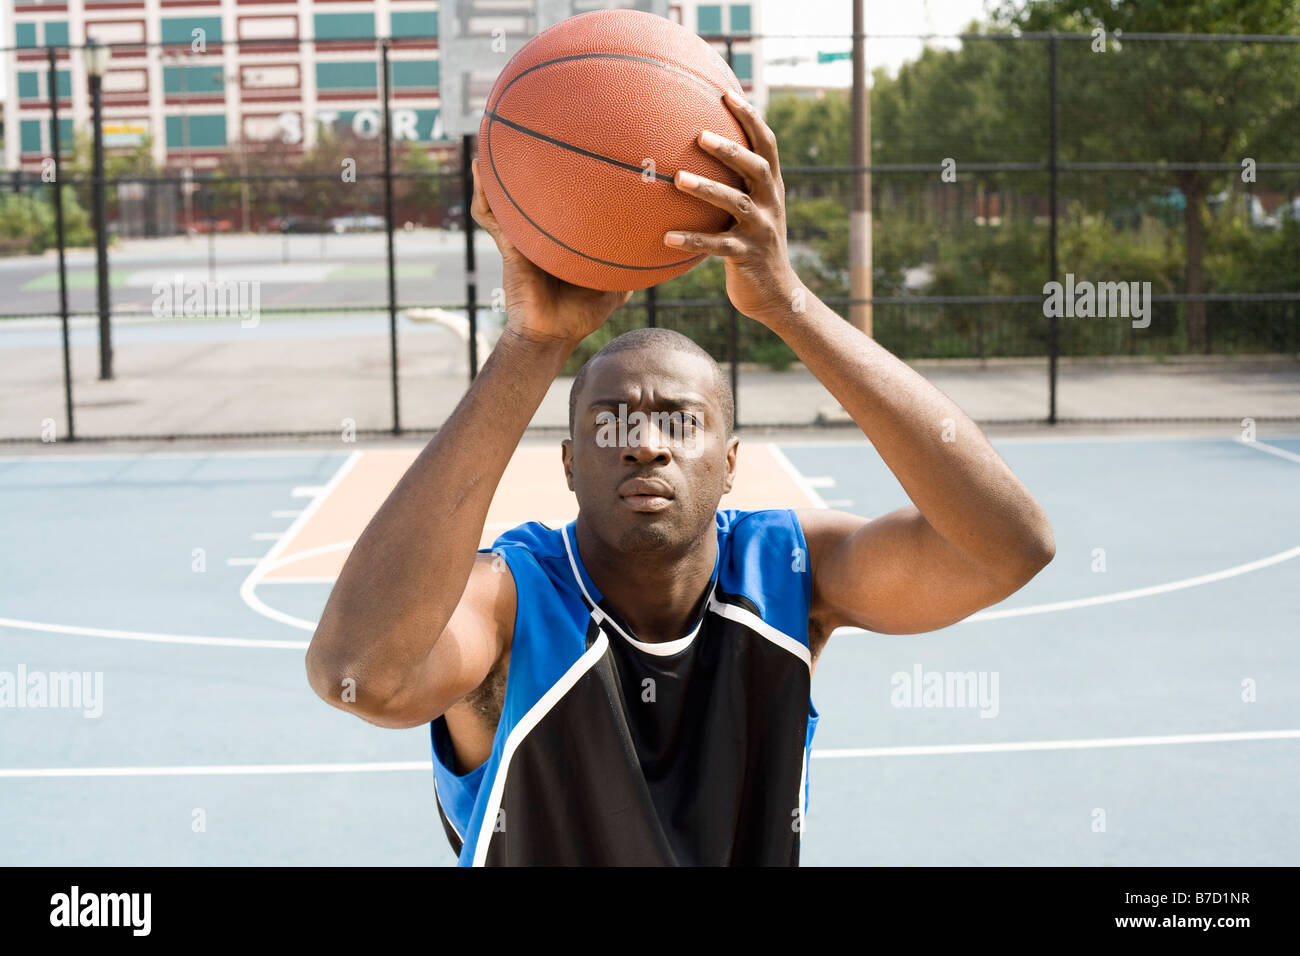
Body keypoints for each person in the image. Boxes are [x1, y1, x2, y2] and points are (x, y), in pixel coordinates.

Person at [305, 90, 1055, 866]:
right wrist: (532, 343)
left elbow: (1009, 547)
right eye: (612, 422)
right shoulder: (512, 603)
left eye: (680, 421)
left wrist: (790, 304)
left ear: (732, 466)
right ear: (567, 463)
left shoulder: (786, 574)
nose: (645, 444)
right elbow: (357, 674)